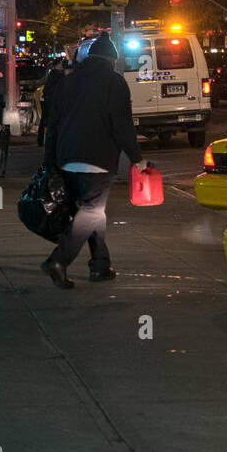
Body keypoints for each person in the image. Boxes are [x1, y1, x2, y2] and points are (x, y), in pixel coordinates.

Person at [41, 36, 148, 289]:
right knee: (90, 212)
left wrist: (50, 163)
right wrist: (137, 158)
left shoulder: (67, 82)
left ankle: (100, 265)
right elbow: (121, 126)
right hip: (98, 160)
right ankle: (59, 260)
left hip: (66, 159)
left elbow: (52, 126)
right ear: (111, 59)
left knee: (91, 213)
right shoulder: (115, 83)